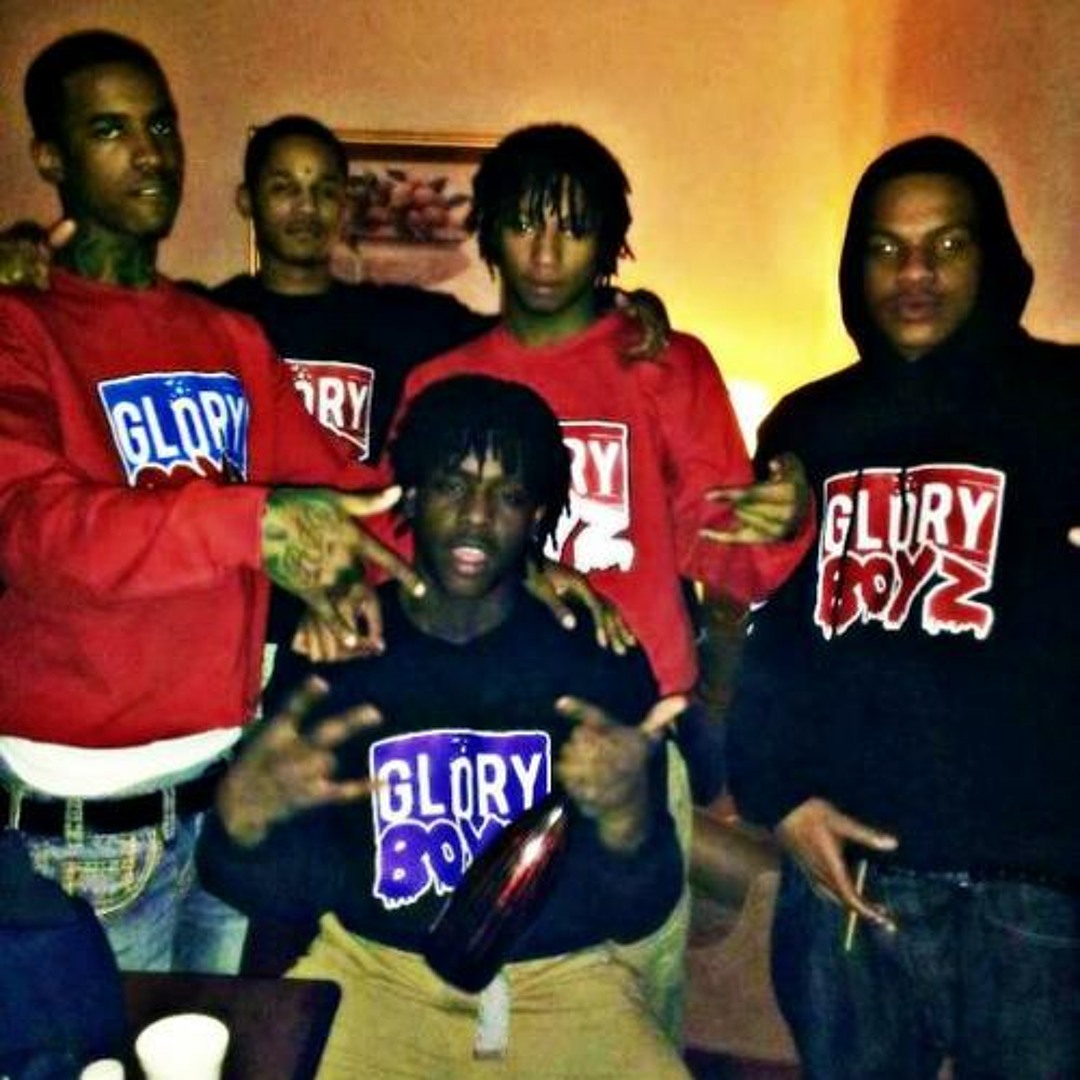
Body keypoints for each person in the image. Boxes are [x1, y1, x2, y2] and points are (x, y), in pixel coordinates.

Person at [0, 29, 414, 974]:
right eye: (110, 130)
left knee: (216, 1038)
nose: (150, 153)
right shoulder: (19, 325)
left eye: (160, 126)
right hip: (84, 825)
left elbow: (359, 498)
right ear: (51, 158)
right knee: (95, 1046)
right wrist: (253, 526)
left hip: (226, 795)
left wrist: (525, 563)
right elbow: (31, 530)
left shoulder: (227, 335)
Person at [391, 122, 813, 1041]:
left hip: (635, 728)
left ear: (610, 242)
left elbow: (726, 553)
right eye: (525, 224)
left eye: (574, 228)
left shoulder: (665, 364)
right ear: (489, 232)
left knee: (631, 988)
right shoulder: (442, 379)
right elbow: (401, 555)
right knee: (467, 987)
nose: (546, 253)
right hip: (477, 726)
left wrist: (784, 522)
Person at [197, 375, 692, 1079]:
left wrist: (627, 821)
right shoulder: (341, 651)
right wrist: (241, 827)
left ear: (538, 514)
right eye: (452, 486)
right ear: (413, 496)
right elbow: (281, 890)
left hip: (561, 986)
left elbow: (640, 909)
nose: (476, 517)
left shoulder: (595, 659)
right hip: (374, 977)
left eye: (508, 495)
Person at [728, 135, 1079, 1079]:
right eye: (886, 248)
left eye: (946, 245)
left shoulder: (1061, 400)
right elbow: (777, 632)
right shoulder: (810, 424)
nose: (914, 274)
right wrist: (781, 799)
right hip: (852, 875)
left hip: (1034, 883)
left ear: (992, 256)